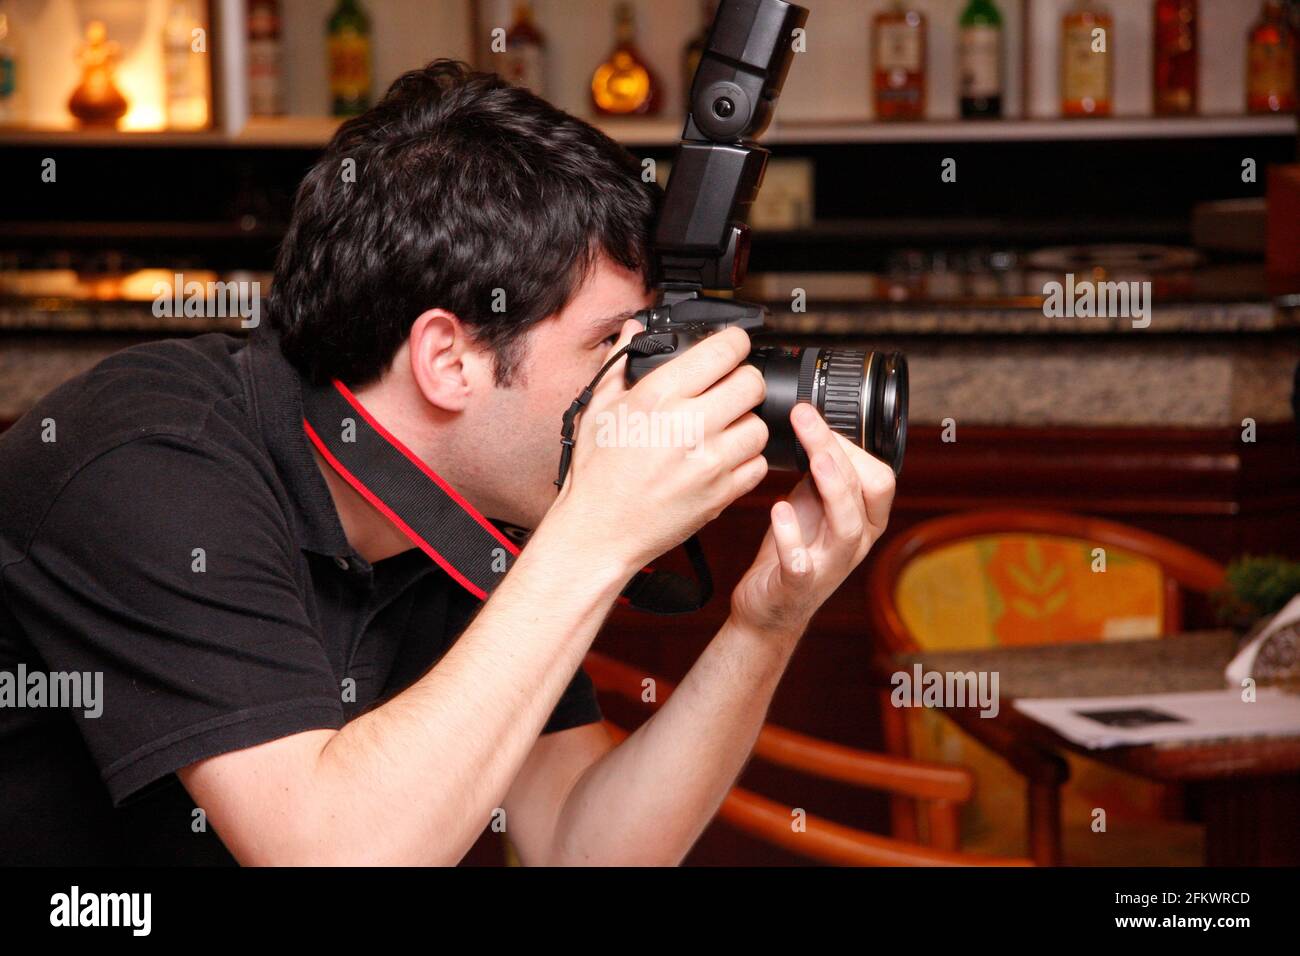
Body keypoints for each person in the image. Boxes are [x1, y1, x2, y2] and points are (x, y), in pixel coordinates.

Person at [0, 60, 895, 865]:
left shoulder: (467, 502)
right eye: (613, 346)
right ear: (449, 360)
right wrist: (593, 536)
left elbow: (581, 845)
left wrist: (764, 625)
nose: (646, 390)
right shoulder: (153, 464)